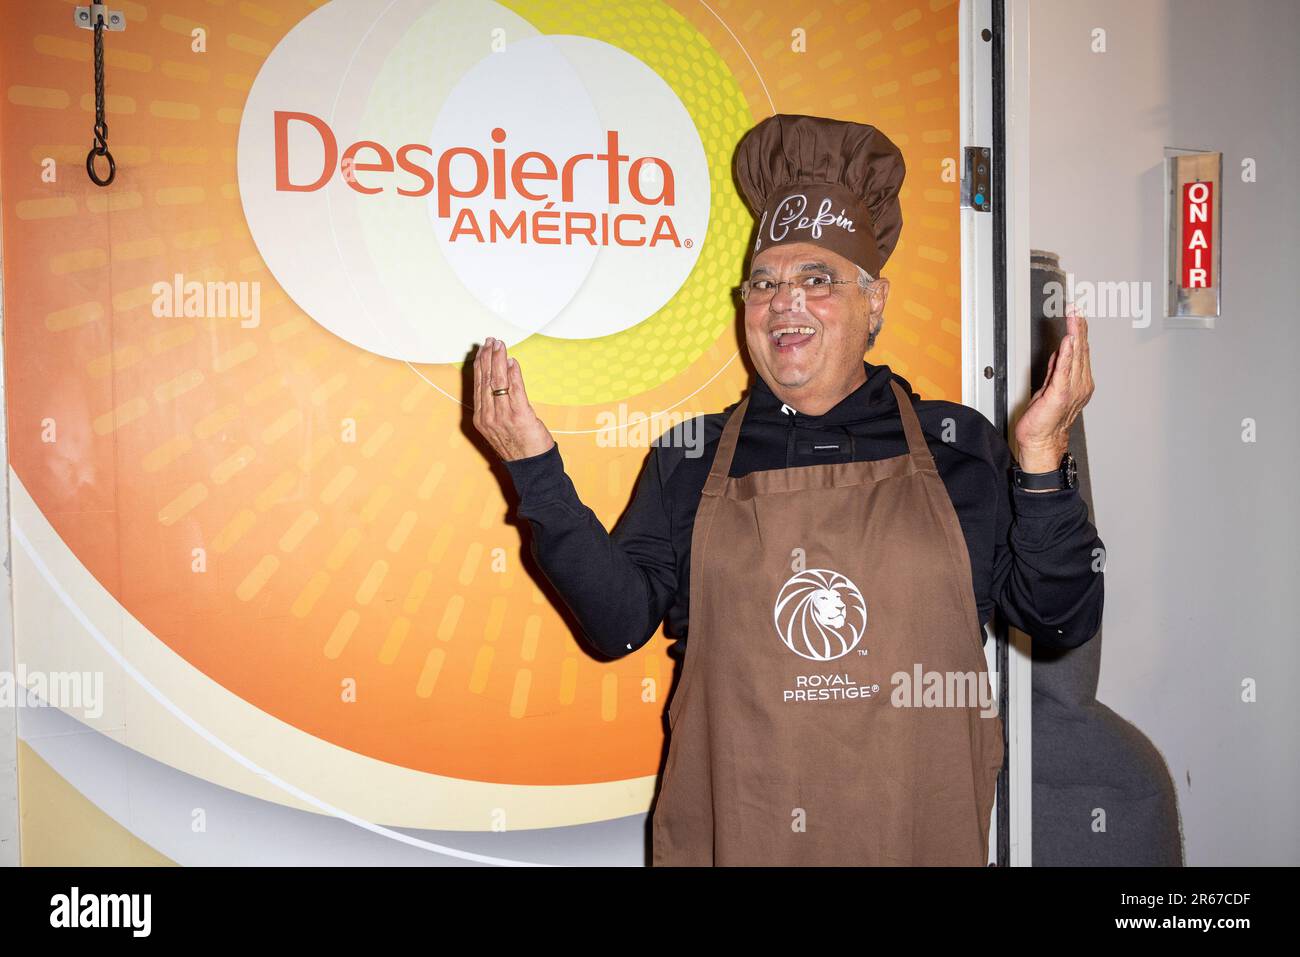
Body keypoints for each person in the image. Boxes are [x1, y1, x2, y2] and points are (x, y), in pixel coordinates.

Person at [469, 114, 1100, 866]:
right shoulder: (691, 457)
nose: (784, 302)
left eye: (817, 279)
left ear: (876, 303)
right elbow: (617, 627)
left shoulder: (957, 447)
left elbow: (1060, 618)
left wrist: (1040, 459)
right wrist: (538, 474)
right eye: (763, 283)